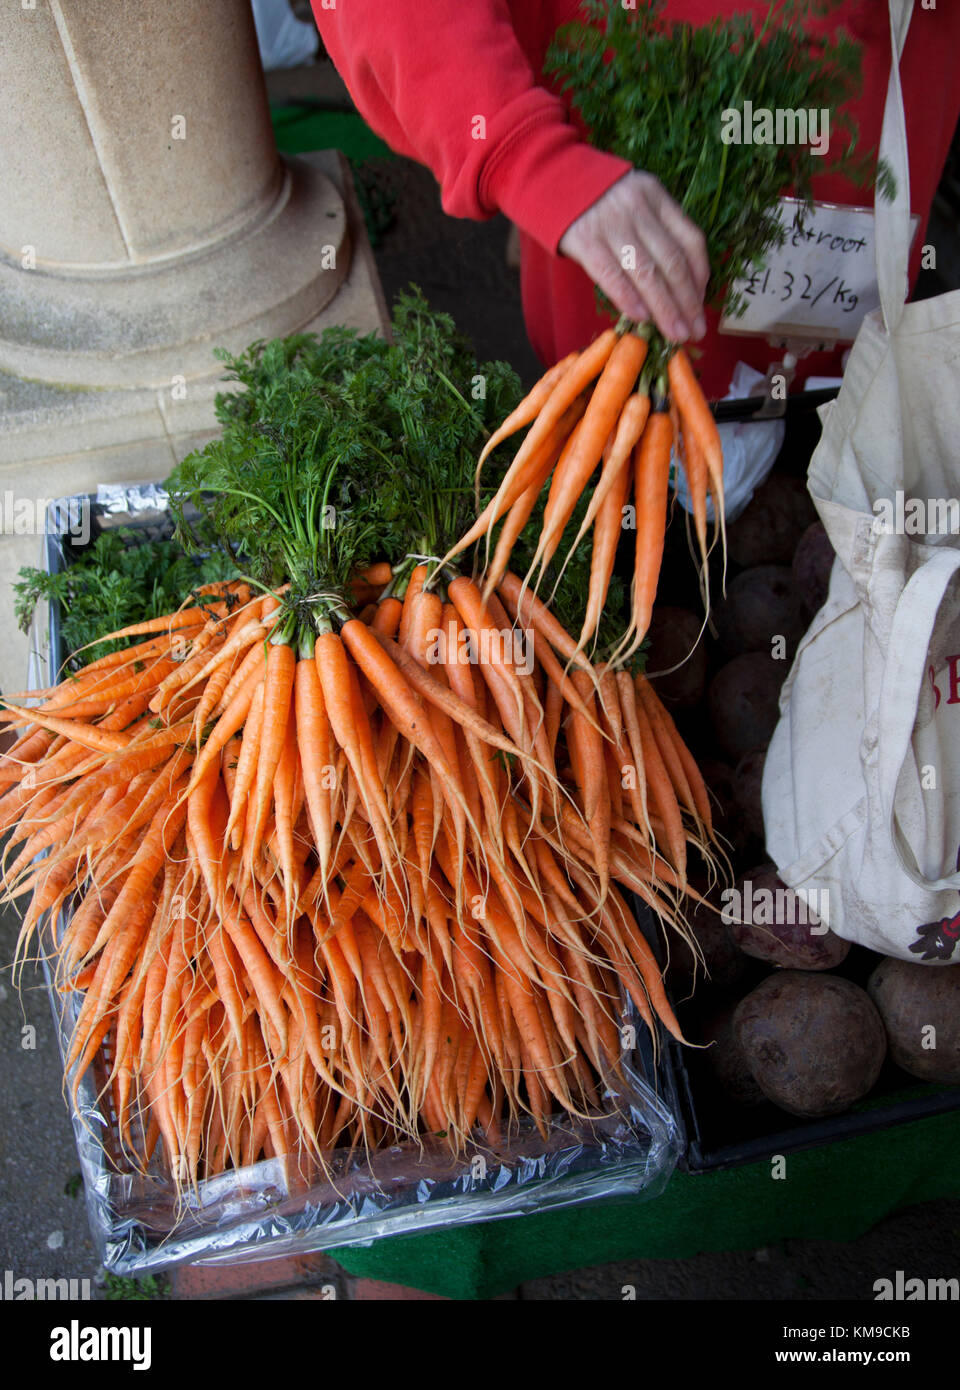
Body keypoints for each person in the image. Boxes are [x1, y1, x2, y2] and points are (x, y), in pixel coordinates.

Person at [311, 1, 960, 398]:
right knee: (627, 402)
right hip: (613, 180)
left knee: (844, 408)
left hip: (878, 133)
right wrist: (524, 154)